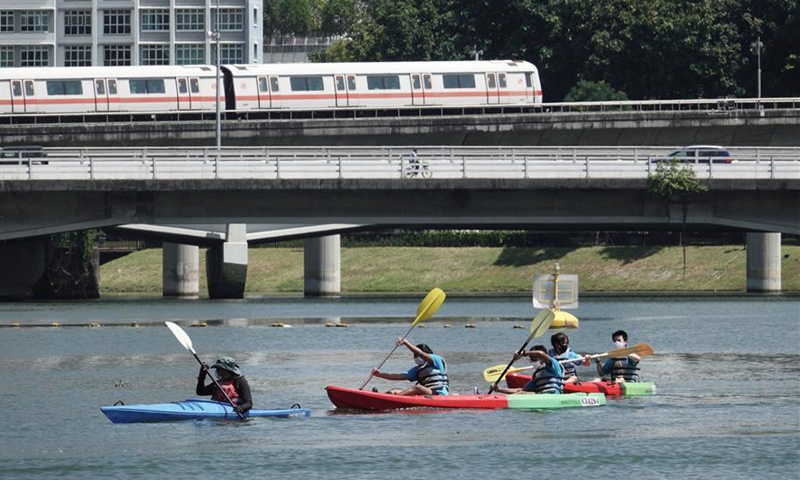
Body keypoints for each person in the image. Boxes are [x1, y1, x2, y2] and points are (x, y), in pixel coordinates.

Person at [371, 338, 449, 396]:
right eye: (415, 356)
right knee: (393, 391)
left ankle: (393, 400)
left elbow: (421, 353)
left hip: (439, 393)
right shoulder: (418, 369)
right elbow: (398, 376)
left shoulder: (436, 359)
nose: (416, 357)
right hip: (425, 394)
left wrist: (405, 342)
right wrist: (379, 374)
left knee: (418, 387)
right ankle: (380, 397)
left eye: (416, 355)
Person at [491, 345, 564, 394]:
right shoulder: (537, 376)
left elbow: (540, 353)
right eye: (531, 359)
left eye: (534, 358)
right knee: (522, 393)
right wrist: (499, 389)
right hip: (541, 398)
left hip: (554, 396)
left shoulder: (553, 365)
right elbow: (520, 390)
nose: (533, 361)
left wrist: (523, 353)